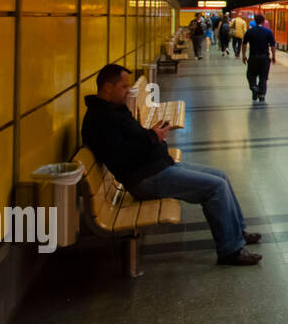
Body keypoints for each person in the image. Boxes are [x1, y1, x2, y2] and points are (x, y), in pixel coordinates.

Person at [81, 64, 261, 266]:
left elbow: (131, 140)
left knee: (221, 176)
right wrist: (152, 137)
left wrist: (151, 134)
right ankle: (230, 250)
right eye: (124, 87)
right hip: (145, 178)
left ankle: (238, 232)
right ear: (107, 88)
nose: (127, 92)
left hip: (157, 167)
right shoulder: (98, 120)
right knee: (215, 188)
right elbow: (122, 154)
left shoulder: (110, 110)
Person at [242, 12, 277, 102]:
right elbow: (273, 45)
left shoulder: (249, 32)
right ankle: (261, 94)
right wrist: (273, 56)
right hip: (264, 58)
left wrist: (243, 55)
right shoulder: (268, 32)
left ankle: (254, 87)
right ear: (263, 21)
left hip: (253, 58)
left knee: (251, 75)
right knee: (263, 77)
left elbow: (244, 44)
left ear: (254, 20)